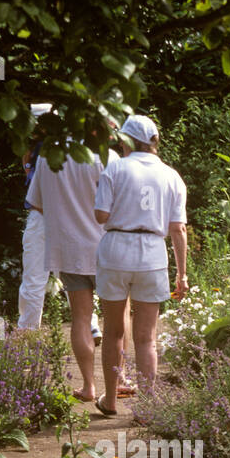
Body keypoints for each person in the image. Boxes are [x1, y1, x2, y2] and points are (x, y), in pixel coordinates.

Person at [91, 114, 187, 416]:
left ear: (126, 140)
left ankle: (110, 400)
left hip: (117, 250)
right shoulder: (172, 175)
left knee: (113, 331)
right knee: (147, 337)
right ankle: (147, 408)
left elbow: (101, 216)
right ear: (155, 142)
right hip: (152, 254)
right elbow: (178, 229)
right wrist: (182, 275)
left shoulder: (115, 168)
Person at [24, 131, 108, 402]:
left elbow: (36, 204)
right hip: (108, 247)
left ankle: (88, 386)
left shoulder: (48, 160)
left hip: (72, 249)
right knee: (117, 319)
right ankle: (119, 381)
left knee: (80, 318)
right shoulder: (102, 158)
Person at [18, 106, 102, 348]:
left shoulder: (38, 153)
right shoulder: (74, 148)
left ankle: (28, 331)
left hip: (43, 215)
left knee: (35, 275)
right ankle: (91, 324)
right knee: (75, 273)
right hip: (71, 218)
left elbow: (36, 196)